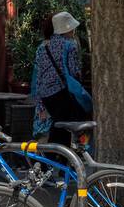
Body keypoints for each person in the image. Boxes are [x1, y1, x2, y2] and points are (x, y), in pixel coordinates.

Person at [30, 10, 90, 138]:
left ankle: (53, 155)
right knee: (66, 128)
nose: (73, 31)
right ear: (67, 29)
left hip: (45, 95)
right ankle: (61, 156)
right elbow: (74, 72)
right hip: (61, 92)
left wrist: (40, 104)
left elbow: (38, 76)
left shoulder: (42, 47)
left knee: (57, 126)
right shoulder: (70, 45)